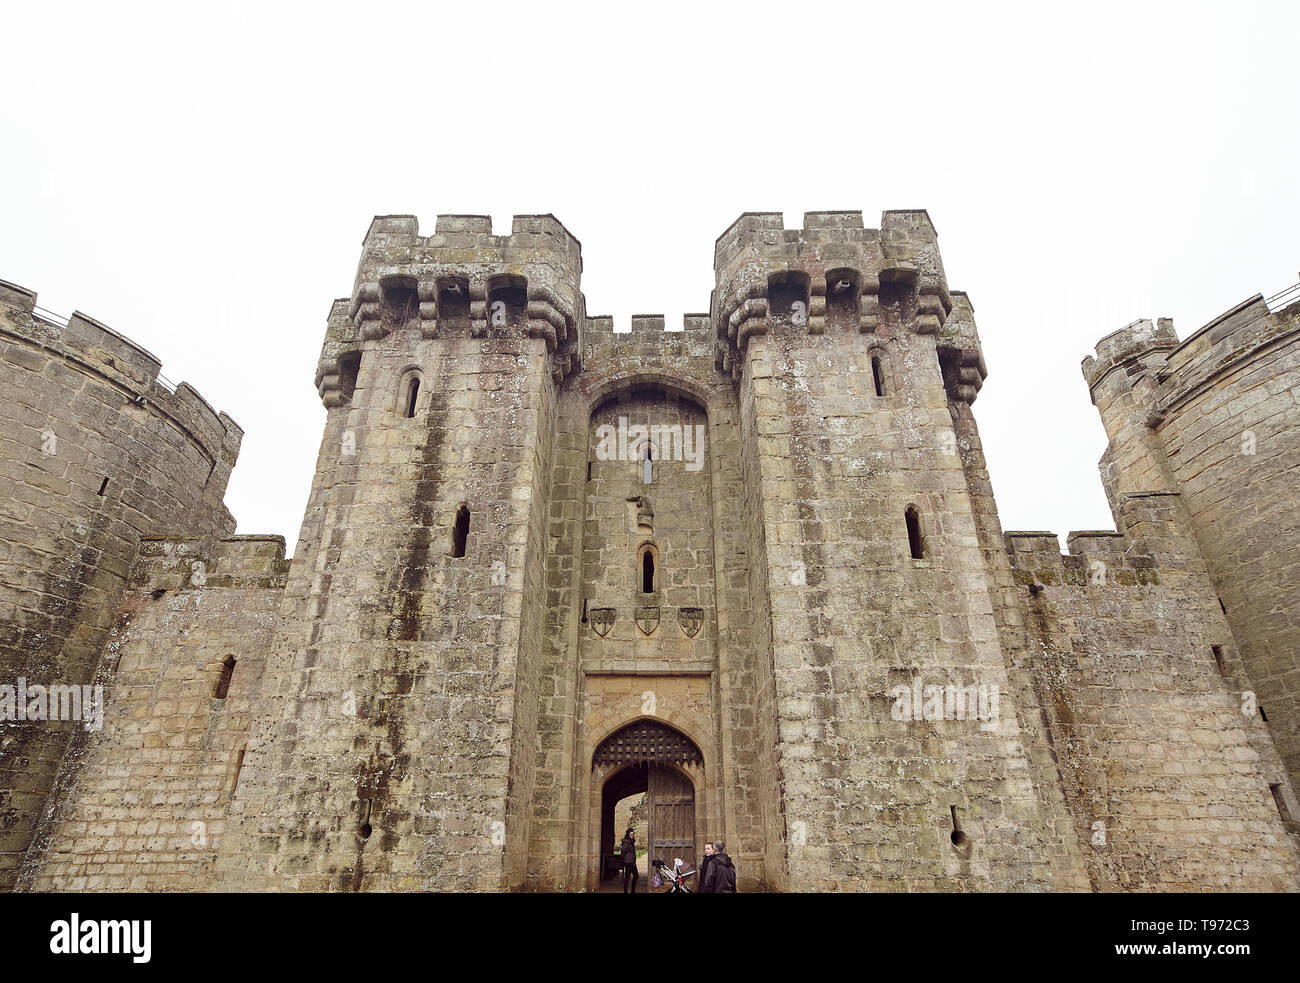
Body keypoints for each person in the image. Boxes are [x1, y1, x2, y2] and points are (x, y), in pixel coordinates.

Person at [620, 828, 639, 893]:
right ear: (628, 834)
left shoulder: (631, 842)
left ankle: (632, 891)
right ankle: (626, 891)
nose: (632, 835)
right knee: (627, 878)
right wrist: (622, 861)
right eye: (631, 834)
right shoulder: (626, 842)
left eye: (633, 834)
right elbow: (623, 852)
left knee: (636, 876)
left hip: (632, 862)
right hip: (628, 862)